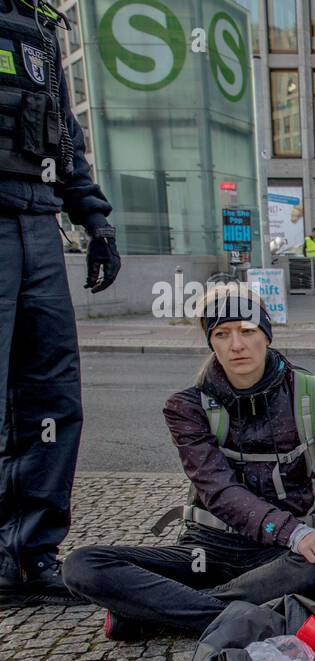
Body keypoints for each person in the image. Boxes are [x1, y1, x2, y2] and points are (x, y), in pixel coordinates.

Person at [62, 286, 315, 640]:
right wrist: (296, 532)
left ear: (266, 334)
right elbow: (219, 490)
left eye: (247, 331)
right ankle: (242, 617)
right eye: (222, 333)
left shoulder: (307, 392)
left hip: (279, 558)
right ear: (210, 341)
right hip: (208, 550)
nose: (236, 345)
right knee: (83, 565)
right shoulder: (186, 406)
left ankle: (152, 615)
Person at [0, 0, 120, 608]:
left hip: (37, 226)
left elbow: (62, 136)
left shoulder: (39, 27)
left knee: (51, 397)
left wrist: (95, 222)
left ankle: (30, 555)